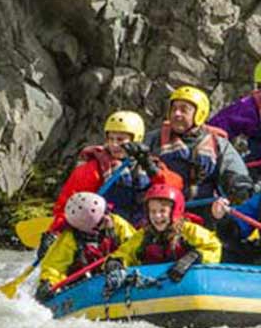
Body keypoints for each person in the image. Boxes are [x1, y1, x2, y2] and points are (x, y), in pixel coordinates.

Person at [38, 111, 184, 260]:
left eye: (120, 139)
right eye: (110, 138)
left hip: (145, 230)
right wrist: (54, 231)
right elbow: (70, 205)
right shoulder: (92, 169)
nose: (114, 144)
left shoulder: (150, 164)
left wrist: (151, 168)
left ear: (136, 139)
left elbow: (174, 189)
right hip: (107, 233)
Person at [139, 85, 253, 221]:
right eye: (174, 109)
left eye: (184, 110)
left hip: (202, 210)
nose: (177, 114)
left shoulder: (216, 142)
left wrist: (239, 187)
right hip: (162, 211)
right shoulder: (153, 139)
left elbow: (233, 168)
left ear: (199, 114)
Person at [103, 184, 222, 290]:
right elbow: (126, 252)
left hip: (187, 285)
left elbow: (213, 246)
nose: (157, 216)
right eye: (152, 211)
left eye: (162, 211)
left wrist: (194, 257)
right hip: (154, 289)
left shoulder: (188, 230)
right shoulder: (144, 236)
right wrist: (115, 262)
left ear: (174, 211)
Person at [35, 192, 137, 302]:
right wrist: (48, 282)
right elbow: (54, 266)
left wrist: (119, 260)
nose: (108, 219)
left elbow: (133, 245)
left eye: (106, 212)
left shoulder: (116, 222)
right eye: (102, 220)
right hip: (84, 281)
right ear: (91, 228)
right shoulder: (69, 239)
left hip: (116, 270)